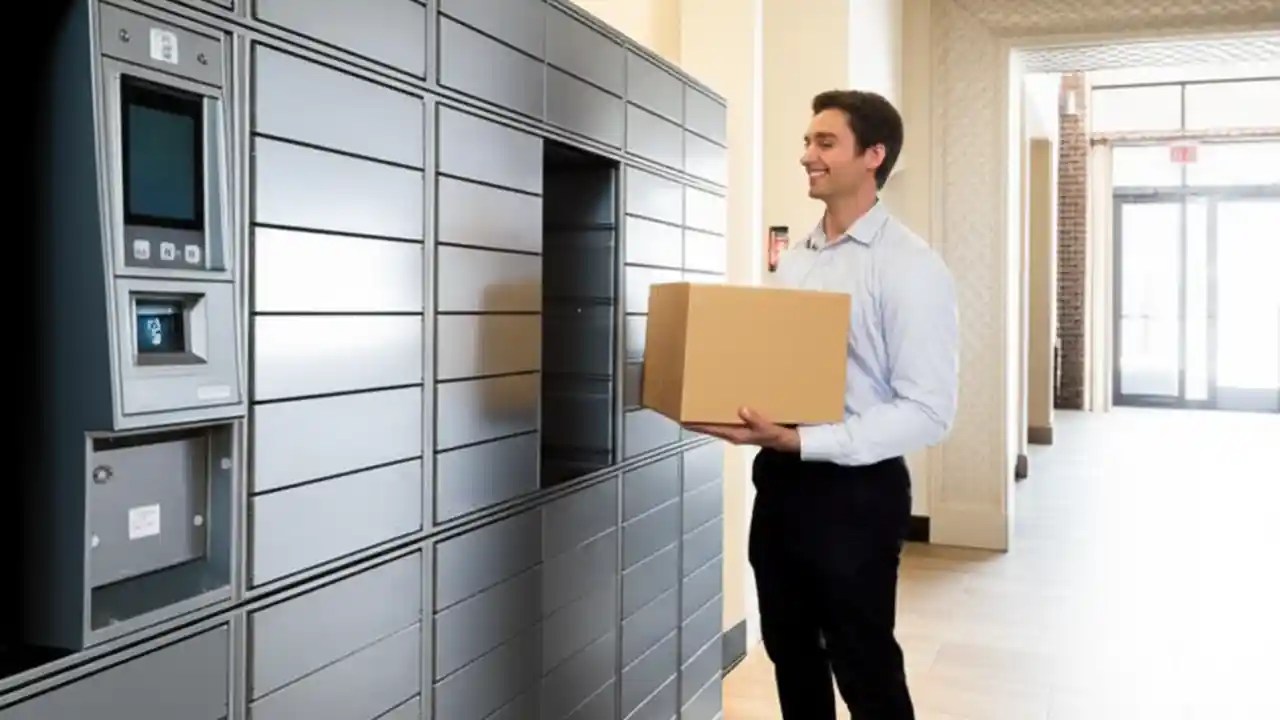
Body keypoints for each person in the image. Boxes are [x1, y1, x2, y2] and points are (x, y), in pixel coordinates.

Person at [685, 89, 959, 719]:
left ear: (874, 155)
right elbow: (780, 374)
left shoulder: (910, 268)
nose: (807, 154)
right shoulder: (797, 262)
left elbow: (929, 409)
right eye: (808, 141)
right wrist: (743, 411)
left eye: (825, 142)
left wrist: (806, 441)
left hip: (856, 495)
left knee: (863, 663)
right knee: (790, 651)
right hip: (782, 485)